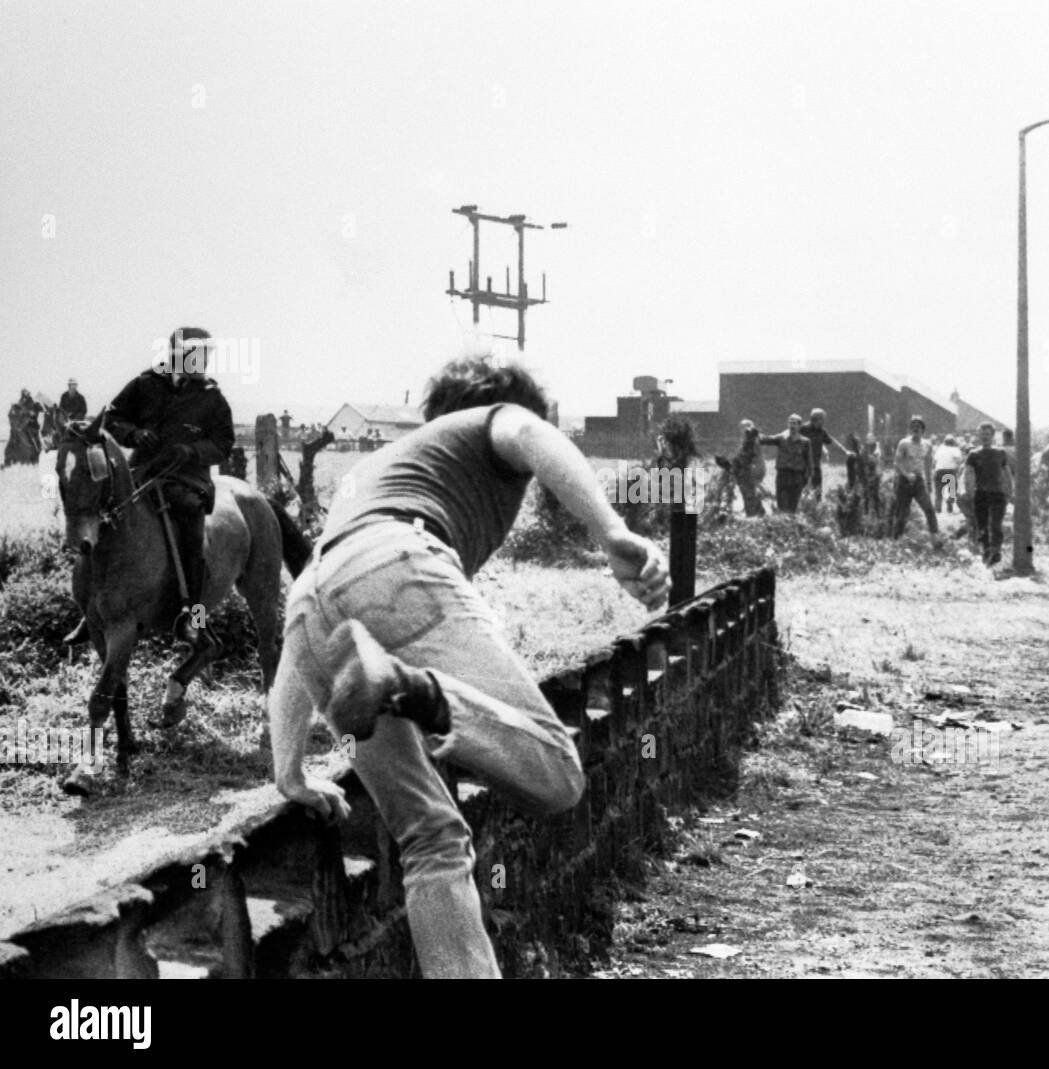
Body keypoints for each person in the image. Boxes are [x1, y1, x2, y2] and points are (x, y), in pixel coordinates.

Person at [268, 356, 669, 978]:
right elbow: (531, 432)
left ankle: (396, 686)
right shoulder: (492, 421)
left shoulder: (382, 472)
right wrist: (613, 533)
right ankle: (412, 690)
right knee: (558, 776)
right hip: (397, 567)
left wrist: (289, 772)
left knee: (430, 839)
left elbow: (308, 626)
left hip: (310, 603)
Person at [102, 327, 234, 644]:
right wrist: (133, 434)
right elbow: (112, 419)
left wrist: (192, 451)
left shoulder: (212, 398)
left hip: (187, 481)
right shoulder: (144, 384)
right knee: (103, 519)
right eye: (196, 355)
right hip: (140, 474)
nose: (203, 362)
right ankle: (91, 610)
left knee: (194, 545)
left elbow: (223, 444)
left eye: (206, 356)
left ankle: (195, 619)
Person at [960, 421, 1013, 566]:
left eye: (988, 434)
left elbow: (1006, 472)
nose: (985, 437)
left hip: (998, 493)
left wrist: (1010, 490)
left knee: (996, 524)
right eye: (982, 434)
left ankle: (996, 551)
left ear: (993, 436)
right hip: (981, 493)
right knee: (982, 525)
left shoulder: (1000, 453)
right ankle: (986, 551)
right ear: (978, 435)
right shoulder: (973, 454)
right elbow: (967, 473)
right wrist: (967, 490)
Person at [892, 416, 940, 544]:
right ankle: (896, 540)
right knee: (902, 514)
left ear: (923, 430)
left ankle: (935, 537)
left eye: (918, 427)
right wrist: (906, 474)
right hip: (904, 481)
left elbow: (928, 465)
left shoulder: (927, 444)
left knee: (929, 508)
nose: (915, 429)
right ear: (910, 429)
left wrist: (929, 483)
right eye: (913, 427)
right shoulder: (904, 443)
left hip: (919, 482)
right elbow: (896, 463)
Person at [759, 414, 813, 513]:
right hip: (783, 475)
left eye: (794, 424)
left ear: (799, 426)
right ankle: (782, 520)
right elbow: (766, 440)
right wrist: (755, 435)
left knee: (793, 504)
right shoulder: (781, 438)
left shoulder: (805, 442)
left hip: (797, 477)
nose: (792, 426)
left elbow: (809, 461)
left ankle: (791, 520)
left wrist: (809, 480)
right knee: (781, 503)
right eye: (790, 423)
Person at [799, 408, 848, 501]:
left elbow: (832, 441)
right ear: (817, 419)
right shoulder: (803, 429)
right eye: (823, 419)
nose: (824, 421)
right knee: (802, 490)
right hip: (802, 466)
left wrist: (845, 451)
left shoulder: (821, 431)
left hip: (816, 465)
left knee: (818, 490)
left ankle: (818, 506)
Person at [728, 419, 766, 517]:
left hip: (752, 470)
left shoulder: (752, 439)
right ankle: (758, 513)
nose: (743, 429)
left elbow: (746, 457)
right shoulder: (747, 440)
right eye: (741, 427)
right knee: (749, 493)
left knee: (749, 493)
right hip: (750, 470)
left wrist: (734, 465)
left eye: (746, 426)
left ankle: (754, 515)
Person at [932, 434, 964, 513]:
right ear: (953, 442)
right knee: (952, 491)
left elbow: (934, 461)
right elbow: (959, 460)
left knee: (938, 492)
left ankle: (937, 509)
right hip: (950, 472)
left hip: (939, 471)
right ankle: (949, 506)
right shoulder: (955, 449)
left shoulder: (940, 449)